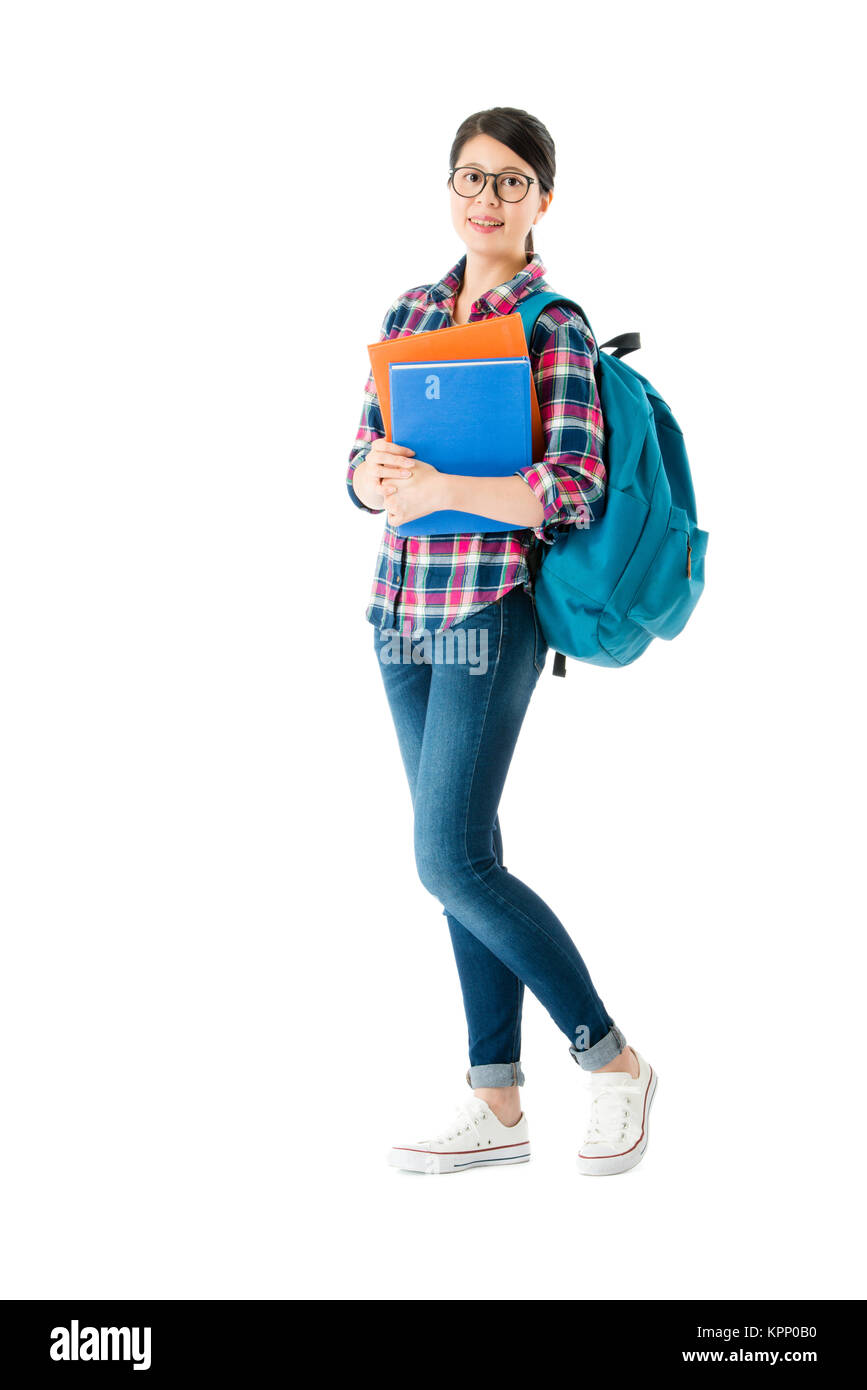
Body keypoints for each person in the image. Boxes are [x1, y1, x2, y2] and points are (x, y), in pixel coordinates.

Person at [346, 106, 657, 1177]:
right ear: (451, 188)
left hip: (486, 612)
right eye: (471, 177)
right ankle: (497, 1099)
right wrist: (374, 479)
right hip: (399, 610)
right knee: (460, 864)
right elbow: (355, 466)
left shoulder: (553, 325)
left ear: (542, 200)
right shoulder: (412, 310)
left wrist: (446, 488)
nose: (487, 198)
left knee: (450, 855)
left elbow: (569, 489)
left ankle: (612, 1062)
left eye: (511, 182)